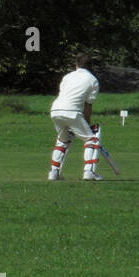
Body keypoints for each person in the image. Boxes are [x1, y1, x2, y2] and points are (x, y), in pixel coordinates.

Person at [47, 53, 104, 181]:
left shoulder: (67, 76)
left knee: (63, 140)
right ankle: (89, 172)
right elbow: (88, 106)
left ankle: (54, 173)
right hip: (72, 111)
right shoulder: (93, 80)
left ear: (76, 64)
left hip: (55, 109)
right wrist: (87, 124)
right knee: (91, 139)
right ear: (91, 66)